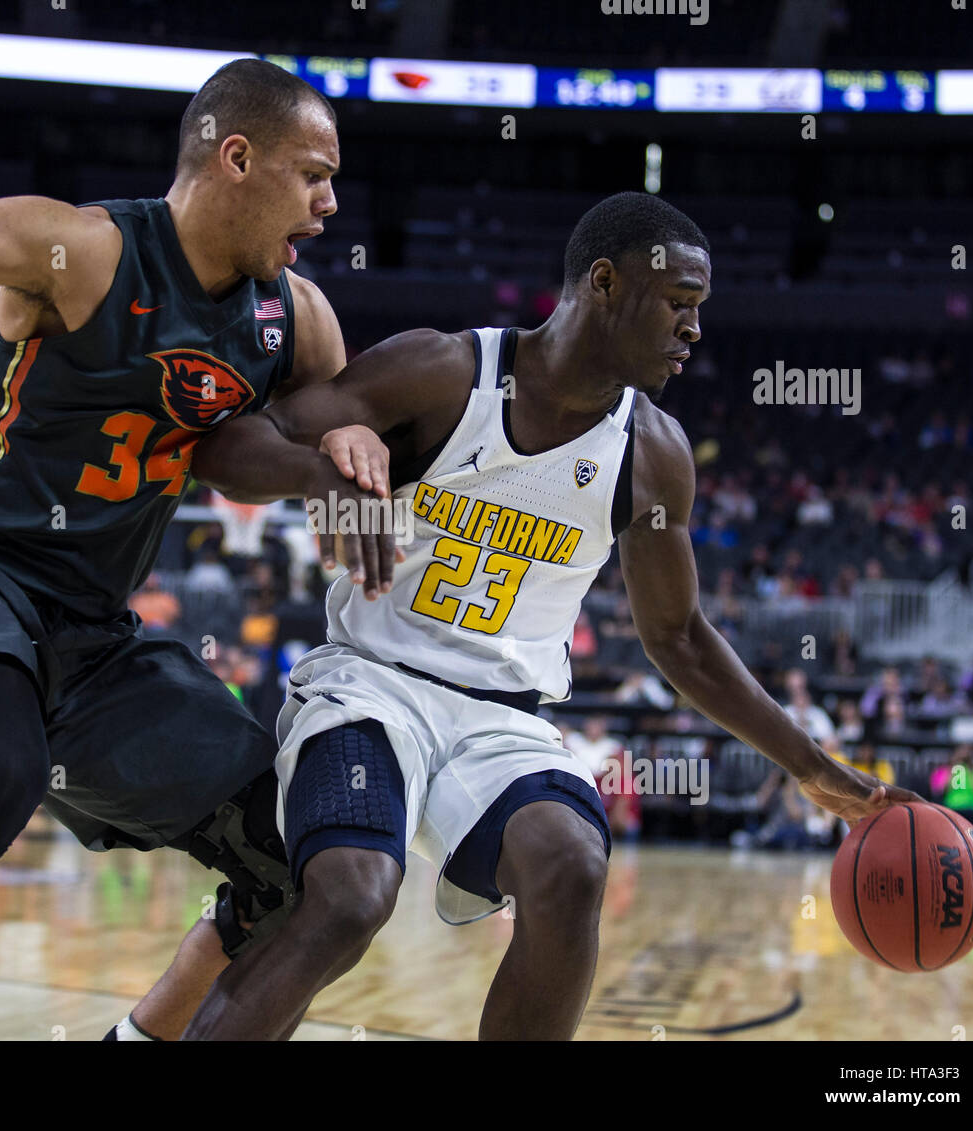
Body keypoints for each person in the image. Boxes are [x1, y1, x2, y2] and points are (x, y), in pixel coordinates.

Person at [168, 191, 917, 1040]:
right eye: (680, 304)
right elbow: (226, 450)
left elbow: (679, 638)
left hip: (504, 723)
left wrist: (813, 767)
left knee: (570, 867)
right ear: (604, 282)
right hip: (370, 688)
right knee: (351, 892)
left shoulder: (655, 453)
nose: (695, 331)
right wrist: (322, 473)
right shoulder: (444, 373)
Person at [0, 58, 394, 1041]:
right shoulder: (83, 252)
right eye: (312, 174)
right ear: (236, 157)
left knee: (295, 853)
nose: (328, 204)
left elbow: (318, 428)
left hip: (94, 637)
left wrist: (348, 446)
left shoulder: (296, 317)